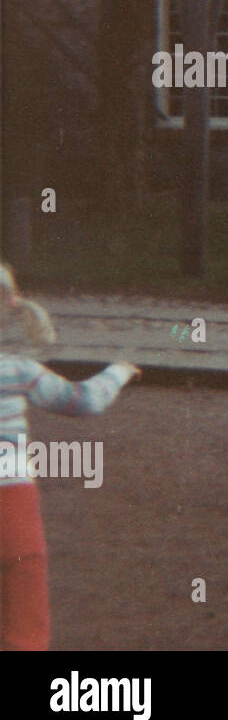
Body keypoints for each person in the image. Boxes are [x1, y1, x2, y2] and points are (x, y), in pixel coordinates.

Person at [0, 263, 141, 650]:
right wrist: (119, 371)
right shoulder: (17, 371)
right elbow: (85, 401)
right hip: (10, 494)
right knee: (24, 601)